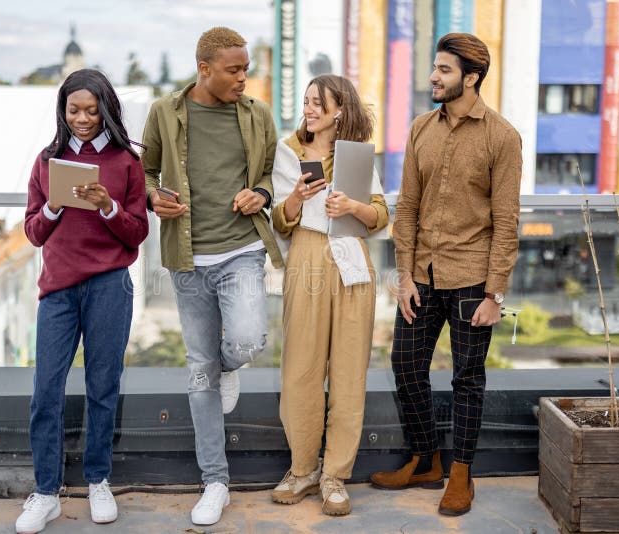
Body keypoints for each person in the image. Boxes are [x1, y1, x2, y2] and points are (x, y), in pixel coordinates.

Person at [369, 33, 521, 516]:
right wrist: (405, 276)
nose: (433, 77)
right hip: (423, 275)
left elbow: (507, 221)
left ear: (471, 78)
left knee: (467, 379)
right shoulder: (420, 128)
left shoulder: (502, 136)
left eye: (444, 70)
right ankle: (424, 459)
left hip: (474, 278)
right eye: (434, 68)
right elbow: (408, 206)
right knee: (405, 364)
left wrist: (495, 292)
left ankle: (461, 475)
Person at [141, 27, 282, 526]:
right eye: (234, 70)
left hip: (242, 250)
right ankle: (215, 481)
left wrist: (260, 195)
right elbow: (146, 172)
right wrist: (153, 196)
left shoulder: (257, 114)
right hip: (187, 257)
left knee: (246, 342)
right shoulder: (164, 111)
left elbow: (269, 175)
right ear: (205, 69)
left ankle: (229, 367)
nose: (244, 78)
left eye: (246, 69)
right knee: (198, 366)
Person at [17, 68, 149, 533]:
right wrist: (56, 202)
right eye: (75, 110)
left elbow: (137, 231)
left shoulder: (125, 162)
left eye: (93, 111)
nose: (83, 119)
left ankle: (98, 479)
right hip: (57, 289)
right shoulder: (45, 161)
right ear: (63, 111)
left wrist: (106, 205)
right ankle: (46, 491)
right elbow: (33, 232)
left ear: (107, 110)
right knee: (46, 390)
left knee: (102, 387)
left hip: (110, 285)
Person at [270, 74, 389, 516]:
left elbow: (379, 215)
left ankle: (335, 475)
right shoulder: (287, 152)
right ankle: (302, 469)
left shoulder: (356, 156)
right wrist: (297, 199)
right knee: (299, 368)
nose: (311, 109)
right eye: (307, 101)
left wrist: (352, 207)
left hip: (352, 261)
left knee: (348, 374)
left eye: (319, 102)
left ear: (340, 109)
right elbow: (279, 220)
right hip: (306, 256)